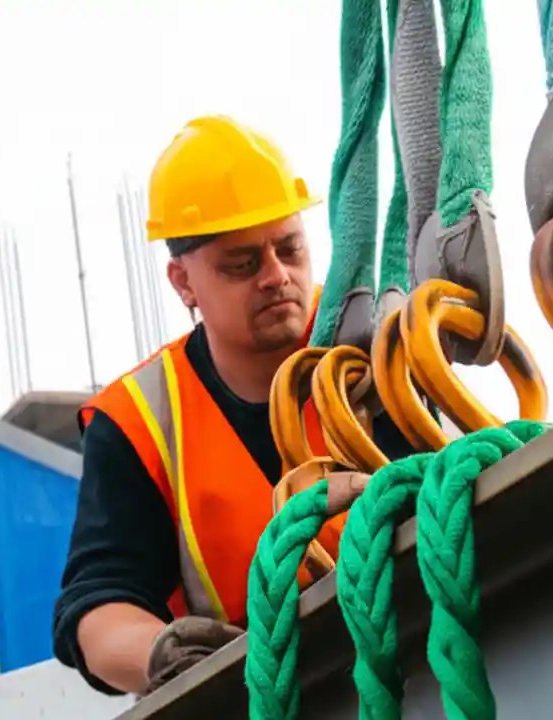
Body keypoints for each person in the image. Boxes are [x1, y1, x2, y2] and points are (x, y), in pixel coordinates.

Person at [51, 115, 417, 696]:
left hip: (414, 650)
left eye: (290, 248)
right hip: (260, 696)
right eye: (242, 264)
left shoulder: (372, 347)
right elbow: (97, 608)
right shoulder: (139, 421)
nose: (277, 276)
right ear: (183, 282)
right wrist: (167, 655)